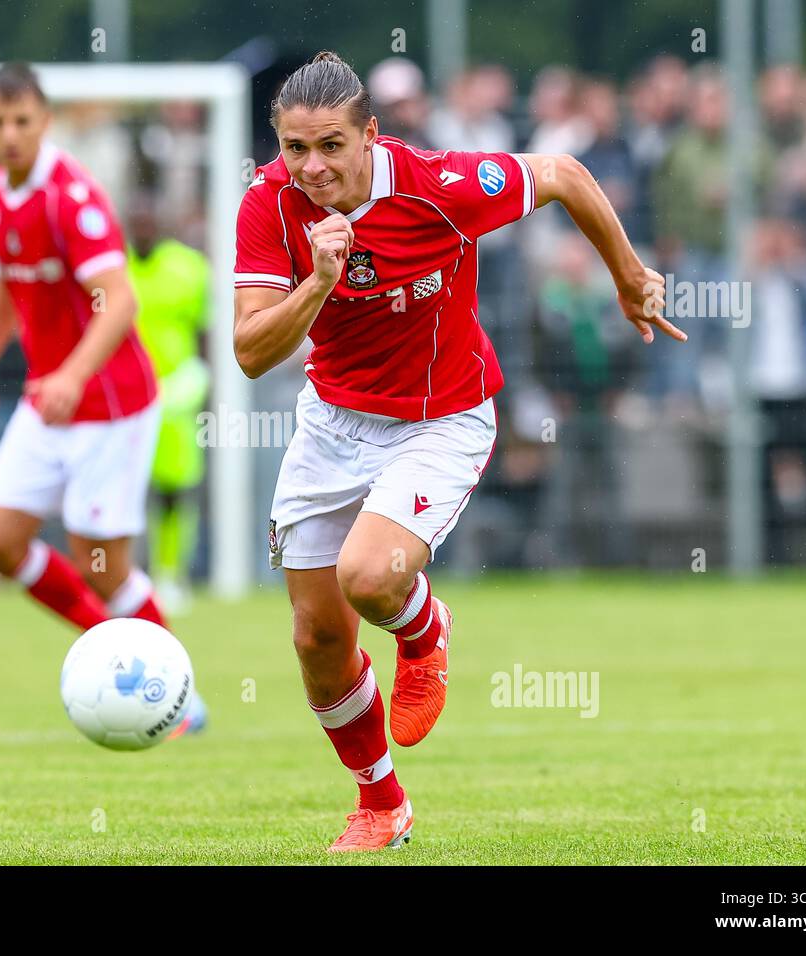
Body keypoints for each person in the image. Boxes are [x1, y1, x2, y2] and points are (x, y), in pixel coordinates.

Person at [233, 51, 684, 852]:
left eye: (331, 146)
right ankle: (381, 804)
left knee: (369, 578)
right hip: (332, 423)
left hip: (441, 419)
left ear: (370, 135)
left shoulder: (438, 186)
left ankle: (424, 630)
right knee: (317, 638)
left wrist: (623, 275)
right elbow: (250, 352)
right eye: (295, 148)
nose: (311, 166)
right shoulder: (268, 205)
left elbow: (564, 172)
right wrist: (320, 282)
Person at [0, 63, 206, 735]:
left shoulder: (72, 196)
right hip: (50, 401)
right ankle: (112, 650)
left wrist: (71, 373)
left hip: (109, 402)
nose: (10, 135)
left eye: (22, 121)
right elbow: (9, 284)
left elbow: (119, 299)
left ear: (45, 122)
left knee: (103, 565)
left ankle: (177, 690)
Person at [125, 191, 211, 613]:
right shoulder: (113, 270)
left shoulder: (189, 267)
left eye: (147, 222)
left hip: (176, 394)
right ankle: (125, 575)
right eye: (135, 222)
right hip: (124, 394)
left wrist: (201, 376)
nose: (141, 229)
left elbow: (205, 330)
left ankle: (170, 573)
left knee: (174, 491)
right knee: (125, 489)